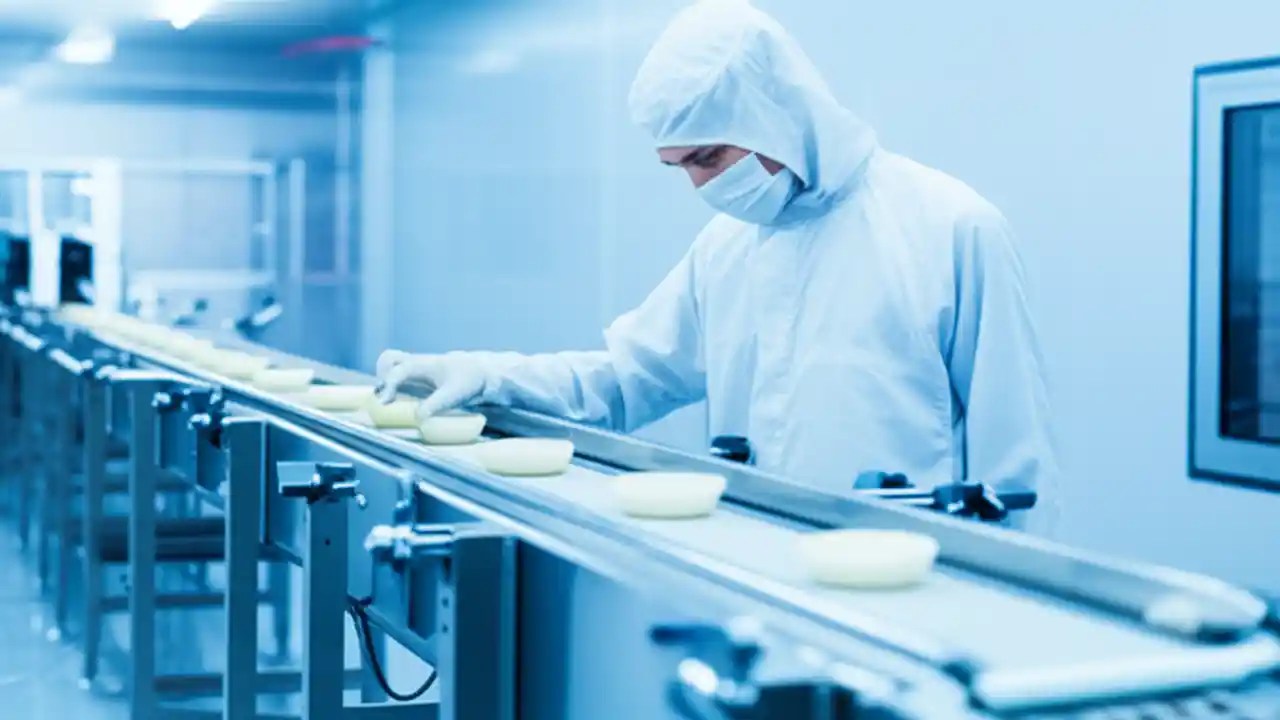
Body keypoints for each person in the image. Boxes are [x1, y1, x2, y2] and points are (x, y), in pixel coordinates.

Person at [377, 0, 1058, 529]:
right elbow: (622, 381)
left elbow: (1018, 473)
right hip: (761, 579)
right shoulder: (728, 248)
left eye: (709, 157)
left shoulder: (950, 229)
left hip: (916, 592)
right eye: (678, 165)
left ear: (775, 118)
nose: (700, 186)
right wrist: (490, 373)